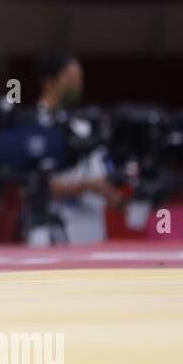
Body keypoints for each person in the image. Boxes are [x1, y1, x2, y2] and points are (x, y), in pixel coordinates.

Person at [31, 53, 121, 245]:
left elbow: (100, 173)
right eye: (71, 79)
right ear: (50, 83)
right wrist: (86, 186)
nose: (78, 85)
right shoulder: (33, 125)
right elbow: (31, 187)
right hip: (54, 235)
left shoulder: (83, 126)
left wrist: (112, 193)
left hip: (92, 233)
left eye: (80, 79)